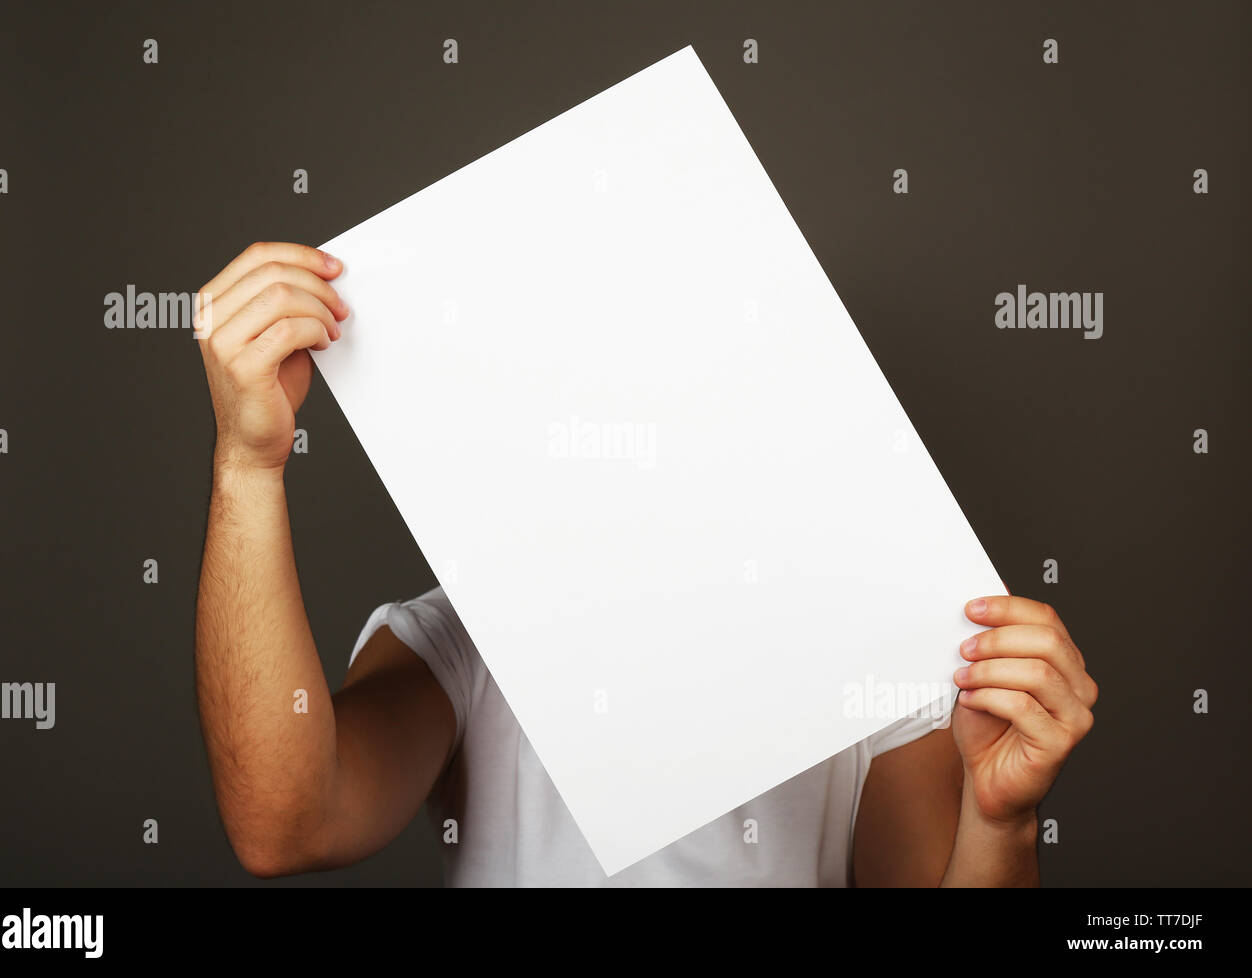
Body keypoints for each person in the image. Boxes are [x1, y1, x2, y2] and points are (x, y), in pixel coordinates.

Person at [193, 241, 1098, 887]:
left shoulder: (876, 658)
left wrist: (1000, 822)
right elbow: (286, 828)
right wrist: (249, 463)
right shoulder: (465, 639)